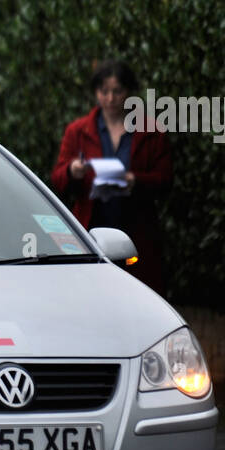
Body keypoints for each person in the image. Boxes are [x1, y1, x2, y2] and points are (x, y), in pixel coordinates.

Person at [51, 59, 172, 294]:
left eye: (117, 91)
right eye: (104, 92)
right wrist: (72, 171)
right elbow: (57, 179)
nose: (110, 98)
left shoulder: (151, 131)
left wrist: (136, 180)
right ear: (96, 93)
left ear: (129, 92)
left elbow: (165, 179)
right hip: (91, 231)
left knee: (137, 295)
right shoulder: (78, 131)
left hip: (137, 234)